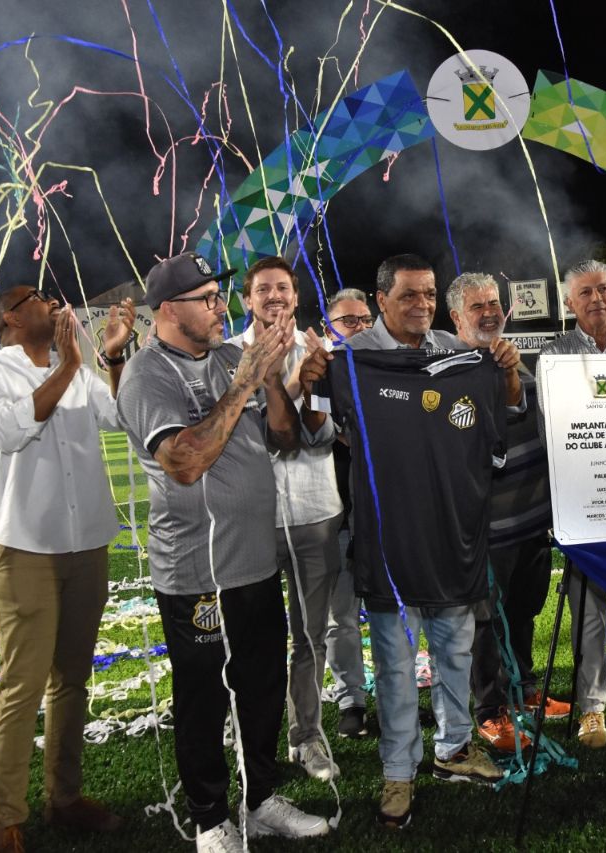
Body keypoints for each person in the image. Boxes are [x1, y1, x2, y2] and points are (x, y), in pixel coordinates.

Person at [299, 254, 520, 829]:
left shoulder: (457, 354)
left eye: (429, 294)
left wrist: (505, 368)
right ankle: (398, 770)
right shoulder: (349, 362)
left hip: (454, 538)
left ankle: (454, 749)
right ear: (381, 300)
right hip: (388, 542)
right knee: (396, 668)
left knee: (456, 652)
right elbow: (313, 429)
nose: (422, 305)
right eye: (409, 296)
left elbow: (506, 415)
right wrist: (310, 381)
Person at [116, 252, 328, 851]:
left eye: (219, 295)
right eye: (206, 298)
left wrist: (272, 380)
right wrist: (242, 383)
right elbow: (184, 462)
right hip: (196, 570)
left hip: (256, 560)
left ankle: (260, 799)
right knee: (205, 696)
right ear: (168, 310)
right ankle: (211, 817)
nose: (220, 307)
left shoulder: (236, 358)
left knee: (262, 686)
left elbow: (283, 438)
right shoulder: (146, 375)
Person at [0, 286, 134, 853]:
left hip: (85, 545)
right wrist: (73, 364)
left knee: (73, 680)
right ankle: (6, 819)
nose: (54, 302)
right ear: (9, 315)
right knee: (23, 686)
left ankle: (65, 798)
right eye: (38, 297)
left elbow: (121, 416)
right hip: (18, 546)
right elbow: (8, 431)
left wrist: (114, 358)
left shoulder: (75, 371)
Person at [230, 257, 345, 780]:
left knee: (311, 635)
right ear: (247, 300)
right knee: (250, 638)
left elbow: (322, 437)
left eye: (282, 288)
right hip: (251, 517)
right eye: (262, 289)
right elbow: (246, 439)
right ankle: (249, 740)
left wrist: (303, 386)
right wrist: (287, 386)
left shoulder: (321, 352)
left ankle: (308, 736)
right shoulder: (227, 356)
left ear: (295, 297)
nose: (273, 296)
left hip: (316, 511)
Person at [447, 273, 570, 753]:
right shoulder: (450, 373)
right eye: (476, 306)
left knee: (523, 611)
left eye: (494, 303)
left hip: (531, 520)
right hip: (484, 527)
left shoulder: (528, 369)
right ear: (456, 317)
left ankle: (524, 688)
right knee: (485, 622)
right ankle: (491, 709)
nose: (488, 312)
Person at [536, 259, 606, 749]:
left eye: (603, 288)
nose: (597, 298)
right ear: (569, 303)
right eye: (585, 292)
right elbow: (551, 430)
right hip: (585, 501)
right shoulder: (554, 355)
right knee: (588, 611)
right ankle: (592, 709)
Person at [320, 288, 377, 739]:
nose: (358, 327)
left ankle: (396, 693)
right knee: (342, 615)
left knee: (394, 610)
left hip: (383, 513)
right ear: (328, 328)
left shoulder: (384, 367)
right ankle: (350, 700)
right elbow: (316, 433)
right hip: (337, 510)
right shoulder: (320, 372)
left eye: (364, 319)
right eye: (348, 320)